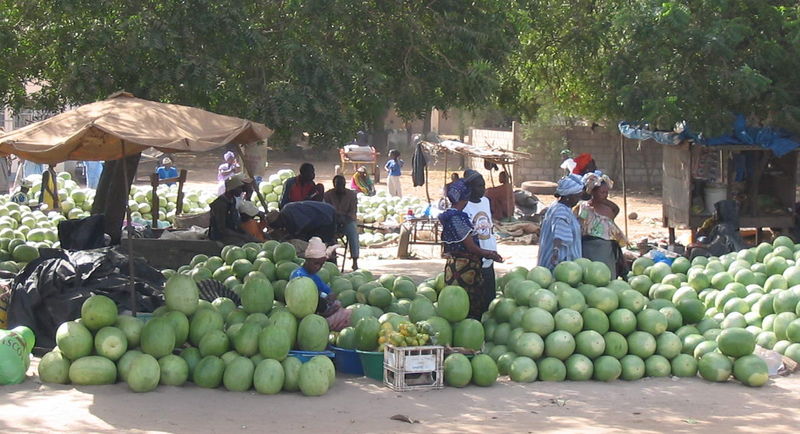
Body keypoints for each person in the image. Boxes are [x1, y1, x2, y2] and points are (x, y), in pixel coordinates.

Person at [439, 179, 503, 320]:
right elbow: (471, 246)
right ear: (465, 197)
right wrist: (490, 254)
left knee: (455, 305)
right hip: (465, 269)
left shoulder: (448, 215)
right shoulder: (457, 218)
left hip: (453, 266)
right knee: (468, 305)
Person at [289, 237, 351, 331]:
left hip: (317, 311)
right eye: (316, 263)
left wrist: (330, 296)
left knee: (340, 307)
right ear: (307, 259)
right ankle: (324, 321)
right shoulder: (298, 275)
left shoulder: (314, 277)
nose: (318, 267)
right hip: (306, 314)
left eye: (321, 265)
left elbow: (328, 291)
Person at [462, 170, 500, 318]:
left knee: (490, 298)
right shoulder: (464, 206)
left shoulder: (486, 201)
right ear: (470, 188)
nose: (483, 189)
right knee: (476, 301)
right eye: (479, 186)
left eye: (483, 185)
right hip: (475, 259)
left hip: (490, 256)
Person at [575, 172, 628, 278]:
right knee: (590, 275)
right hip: (589, 247)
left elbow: (616, 209)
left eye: (607, 192)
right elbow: (579, 224)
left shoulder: (609, 210)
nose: (605, 195)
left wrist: (604, 200)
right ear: (592, 192)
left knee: (606, 276)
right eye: (602, 192)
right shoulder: (584, 208)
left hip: (605, 249)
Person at [538, 174, 587, 270]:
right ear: (568, 196)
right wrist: (556, 252)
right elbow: (560, 234)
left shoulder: (556, 206)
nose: (578, 200)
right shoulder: (561, 211)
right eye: (577, 197)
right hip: (561, 264)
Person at [208, 176, 259, 245]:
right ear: (232, 189)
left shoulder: (233, 200)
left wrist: (246, 234)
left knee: (255, 240)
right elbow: (222, 229)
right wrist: (243, 236)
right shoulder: (220, 205)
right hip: (220, 236)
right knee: (243, 244)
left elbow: (235, 222)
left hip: (232, 232)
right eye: (239, 188)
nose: (241, 191)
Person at [324, 175, 360, 270]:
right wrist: (336, 219)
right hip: (332, 222)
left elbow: (353, 212)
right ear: (334, 185)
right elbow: (325, 212)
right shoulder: (327, 195)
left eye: (342, 184)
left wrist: (344, 220)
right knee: (328, 231)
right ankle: (332, 259)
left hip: (346, 221)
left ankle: (355, 260)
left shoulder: (351, 195)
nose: (340, 187)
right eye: (338, 185)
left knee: (353, 230)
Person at [266, 201, 337, 244]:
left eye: (277, 226)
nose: (279, 228)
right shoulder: (286, 218)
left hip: (326, 214)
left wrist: (295, 236)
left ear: (279, 220)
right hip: (318, 219)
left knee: (321, 244)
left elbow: (305, 226)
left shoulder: (289, 211)